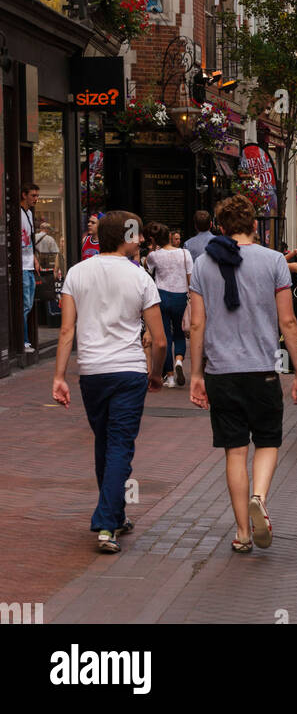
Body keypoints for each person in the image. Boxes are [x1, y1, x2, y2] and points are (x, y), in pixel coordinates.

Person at [189, 194, 297, 552]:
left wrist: (196, 373)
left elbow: (197, 324)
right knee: (268, 441)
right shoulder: (273, 261)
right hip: (263, 369)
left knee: (235, 451)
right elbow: (287, 320)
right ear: (254, 225)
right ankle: (259, 496)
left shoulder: (202, 264)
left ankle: (242, 532)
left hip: (221, 372)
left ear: (220, 227)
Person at [52, 209, 167, 553]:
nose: (143, 240)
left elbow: (66, 329)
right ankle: (106, 525)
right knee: (119, 445)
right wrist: (156, 373)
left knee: (105, 443)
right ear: (127, 237)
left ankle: (114, 515)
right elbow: (159, 339)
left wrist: (59, 376)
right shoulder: (140, 277)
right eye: (139, 234)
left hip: (92, 372)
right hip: (129, 371)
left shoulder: (76, 272)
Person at [144, 222, 193, 387]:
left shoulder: (154, 256)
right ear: (170, 237)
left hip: (162, 296)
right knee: (180, 333)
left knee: (164, 336)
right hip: (180, 296)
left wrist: (152, 248)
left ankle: (170, 377)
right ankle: (179, 361)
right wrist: (191, 296)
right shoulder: (185, 253)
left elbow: (148, 269)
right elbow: (189, 277)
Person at [20, 183, 40, 352]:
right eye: (33, 195)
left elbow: (30, 240)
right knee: (25, 304)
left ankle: (25, 340)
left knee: (28, 304)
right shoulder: (18, 214)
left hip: (29, 264)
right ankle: (24, 341)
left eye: (37, 196)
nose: (36, 199)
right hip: (22, 267)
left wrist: (34, 258)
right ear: (24, 195)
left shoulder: (28, 214)